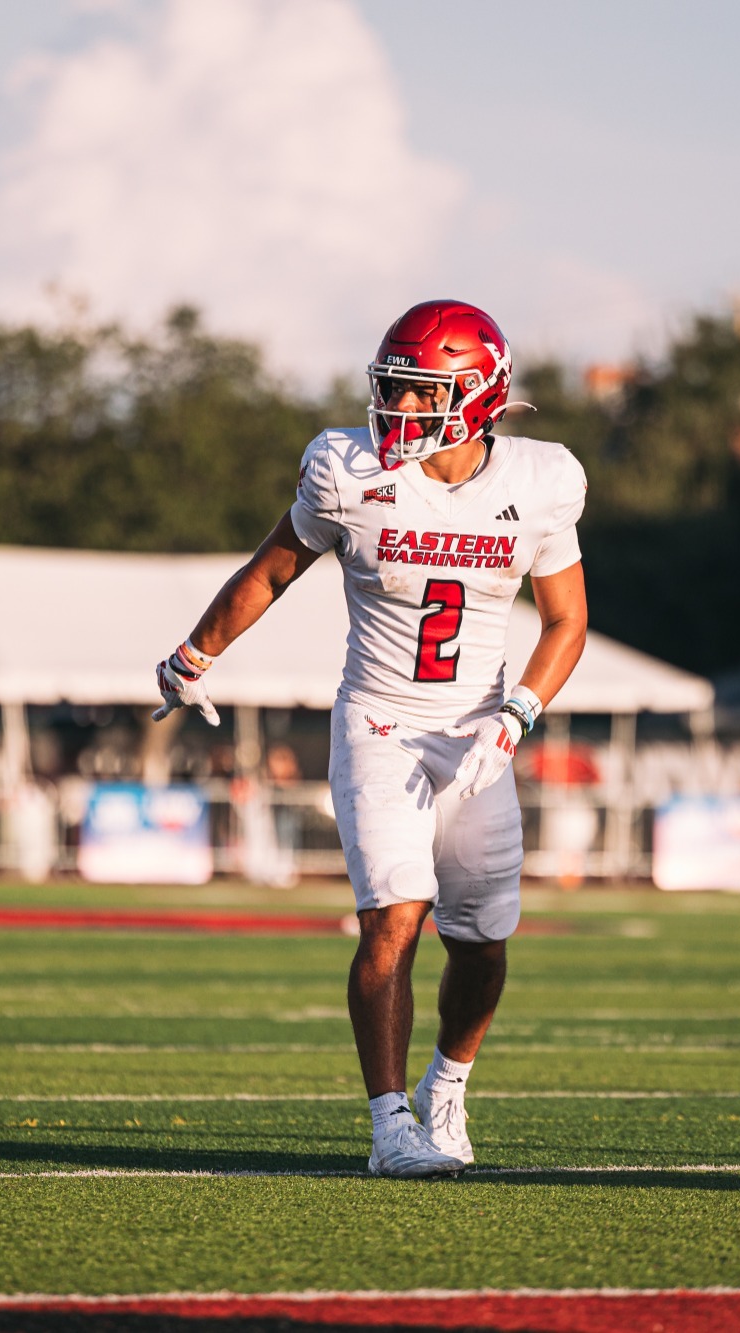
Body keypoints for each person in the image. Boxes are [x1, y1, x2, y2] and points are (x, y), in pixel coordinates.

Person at [154, 301, 588, 1177]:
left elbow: (568, 621)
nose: (395, 409)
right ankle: (390, 1124)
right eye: (390, 388)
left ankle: (449, 1086)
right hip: (378, 721)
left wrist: (517, 718)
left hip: (479, 731)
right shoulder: (347, 472)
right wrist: (194, 651)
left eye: (419, 392)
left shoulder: (539, 483)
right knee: (395, 911)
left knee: (483, 935)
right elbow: (272, 566)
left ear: (476, 395)